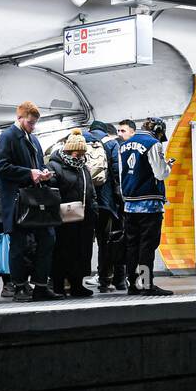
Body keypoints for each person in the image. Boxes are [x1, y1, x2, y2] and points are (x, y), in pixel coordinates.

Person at [0, 101, 61, 302]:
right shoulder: (7, 137)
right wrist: (29, 173)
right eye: (30, 122)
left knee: (48, 239)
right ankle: (19, 286)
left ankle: (41, 285)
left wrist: (43, 172)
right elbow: (1, 167)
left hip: (35, 199)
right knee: (19, 245)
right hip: (17, 201)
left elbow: (37, 164)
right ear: (20, 118)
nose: (33, 126)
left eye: (34, 123)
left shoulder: (33, 139)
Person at [119, 117, 174, 296]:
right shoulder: (153, 144)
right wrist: (168, 167)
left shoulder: (124, 145)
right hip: (149, 204)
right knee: (147, 246)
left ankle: (132, 284)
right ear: (157, 130)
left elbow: (122, 175)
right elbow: (160, 173)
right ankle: (148, 284)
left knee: (132, 245)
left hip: (130, 204)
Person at [45, 130, 97, 298]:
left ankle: (77, 284)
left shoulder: (83, 167)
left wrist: (93, 209)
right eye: (77, 152)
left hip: (83, 217)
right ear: (68, 149)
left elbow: (91, 190)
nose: (79, 155)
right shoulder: (54, 166)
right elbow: (50, 191)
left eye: (82, 153)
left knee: (82, 252)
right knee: (62, 251)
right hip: (63, 218)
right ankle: (59, 285)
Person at [85, 121, 127, 292]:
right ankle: (108, 281)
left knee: (82, 242)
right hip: (106, 202)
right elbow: (118, 173)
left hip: (85, 201)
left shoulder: (79, 141)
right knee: (108, 242)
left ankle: (72, 283)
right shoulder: (111, 143)